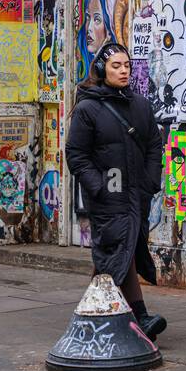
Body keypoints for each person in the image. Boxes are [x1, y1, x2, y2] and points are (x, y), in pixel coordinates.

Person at [65, 42, 167, 340]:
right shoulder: (87, 109)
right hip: (108, 194)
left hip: (137, 193)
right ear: (101, 70)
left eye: (126, 66)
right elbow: (77, 155)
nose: (123, 71)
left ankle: (91, 313)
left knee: (118, 251)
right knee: (119, 247)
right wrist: (99, 187)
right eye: (116, 66)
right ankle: (141, 316)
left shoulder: (140, 105)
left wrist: (150, 182)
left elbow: (153, 146)